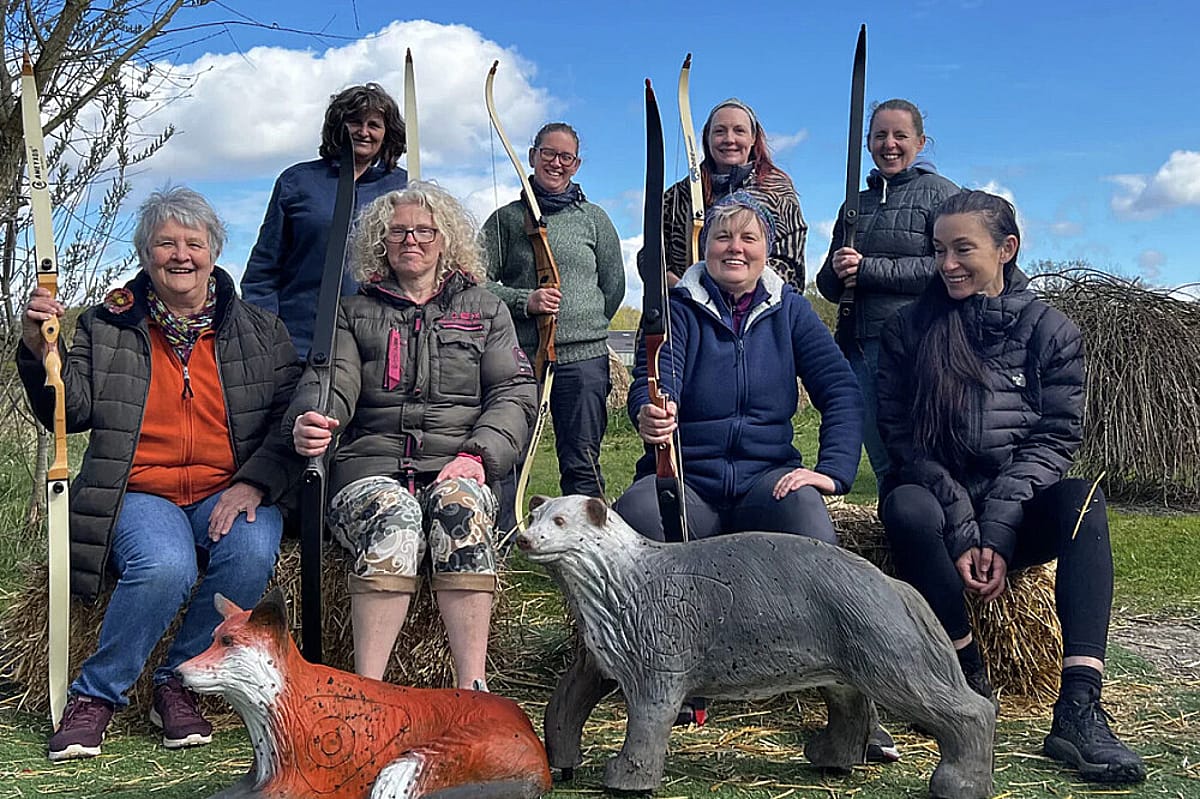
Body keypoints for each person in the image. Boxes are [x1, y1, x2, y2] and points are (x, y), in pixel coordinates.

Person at [18, 188, 303, 762]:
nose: (180, 255)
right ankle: (95, 696)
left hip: (229, 486)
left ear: (214, 251)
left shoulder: (260, 331)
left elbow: (286, 417)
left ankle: (176, 683)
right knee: (165, 564)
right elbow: (67, 413)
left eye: (193, 243)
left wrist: (254, 483)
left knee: (252, 549)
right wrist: (35, 346)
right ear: (145, 254)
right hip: (139, 489)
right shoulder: (107, 325)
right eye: (164, 243)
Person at [877, 190, 1146, 784]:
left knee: (1083, 501)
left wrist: (996, 532)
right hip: (941, 510)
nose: (947, 263)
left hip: (1016, 512)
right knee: (904, 505)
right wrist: (968, 530)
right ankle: (966, 675)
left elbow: (1053, 442)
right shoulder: (909, 331)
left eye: (962, 249)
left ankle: (1079, 707)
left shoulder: (1052, 332)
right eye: (939, 249)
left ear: (1007, 249)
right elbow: (906, 444)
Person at [288, 183, 536, 687]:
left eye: (425, 231)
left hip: (457, 462)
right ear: (382, 243)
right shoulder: (352, 310)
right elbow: (330, 379)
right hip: (370, 467)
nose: (412, 240)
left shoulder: (486, 309)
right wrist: (314, 417)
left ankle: (472, 688)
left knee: (461, 508)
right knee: (397, 517)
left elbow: (514, 392)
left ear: (446, 240)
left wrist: (477, 456)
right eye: (398, 232)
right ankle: (370, 693)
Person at [483, 122, 625, 522]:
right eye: (548, 153)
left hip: (585, 362)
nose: (556, 163)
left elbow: (612, 287)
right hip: (521, 358)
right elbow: (473, 282)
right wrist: (524, 301)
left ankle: (590, 547)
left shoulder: (594, 219)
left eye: (566, 157)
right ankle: (501, 543)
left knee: (581, 461)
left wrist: (584, 327)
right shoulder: (506, 220)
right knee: (507, 455)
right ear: (532, 156)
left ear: (576, 164)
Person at [816, 99, 960, 491]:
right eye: (880, 135)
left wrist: (868, 269)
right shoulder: (855, 203)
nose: (889, 144)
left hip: (919, 345)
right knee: (883, 461)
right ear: (868, 143)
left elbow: (950, 267)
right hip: (859, 347)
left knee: (921, 456)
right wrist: (838, 270)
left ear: (921, 141)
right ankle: (897, 533)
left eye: (900, 135)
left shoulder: (942, 196)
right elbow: (829, 286)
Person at [242, 83, 409, 358]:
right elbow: (263, 269)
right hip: (299, 343)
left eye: (374, 125)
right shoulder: (297, 182)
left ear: (386, 133)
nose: (363, 132)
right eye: (354, 122)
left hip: (376, 348)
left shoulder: (404, 188)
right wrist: (269, 334)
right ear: (337, 126)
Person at [659, 98, 808, 288]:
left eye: (739, 131)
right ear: (707, 138)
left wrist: (733, 288)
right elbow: (651, 257)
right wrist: (681, 288)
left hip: (759, 309)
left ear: (753, 138)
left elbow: (790, 264)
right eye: (720, 131)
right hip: (684, 310)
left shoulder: (777, 192)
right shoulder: (677, 196)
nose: (729, 139)